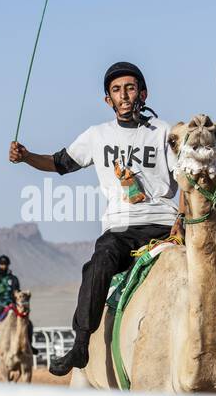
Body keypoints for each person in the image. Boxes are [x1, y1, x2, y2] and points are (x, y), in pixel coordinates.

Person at [10, 61, 178, 376]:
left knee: (211, 259)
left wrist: (184, 216)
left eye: (130, 88)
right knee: (98, 263)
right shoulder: (97, 135)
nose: (124, 95)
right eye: (116, 90)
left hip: (165, 226)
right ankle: (81, 343)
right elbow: (60, 163)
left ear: (143, 92)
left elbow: (188, 174)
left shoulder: (165, 132)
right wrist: (27, 156)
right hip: (121, 228)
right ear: (107, 100)